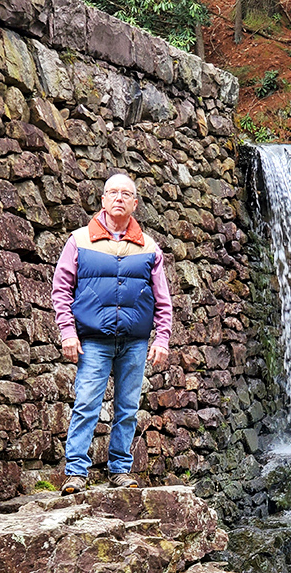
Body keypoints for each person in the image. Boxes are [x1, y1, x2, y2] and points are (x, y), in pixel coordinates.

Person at [52, 173, 172, 495]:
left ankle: (119, 468)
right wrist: (67, 332)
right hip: (93, 340)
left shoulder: (149, 248)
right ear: (103, 200)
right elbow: (61, 289)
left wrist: (162, 338)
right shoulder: (79, 241)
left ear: (135, 203)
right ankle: (76, 472)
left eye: (126, 194)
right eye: (112, 192)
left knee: (128, 407)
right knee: (87, 403)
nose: (119, 198)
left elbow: (163, 299)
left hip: (134, 342)